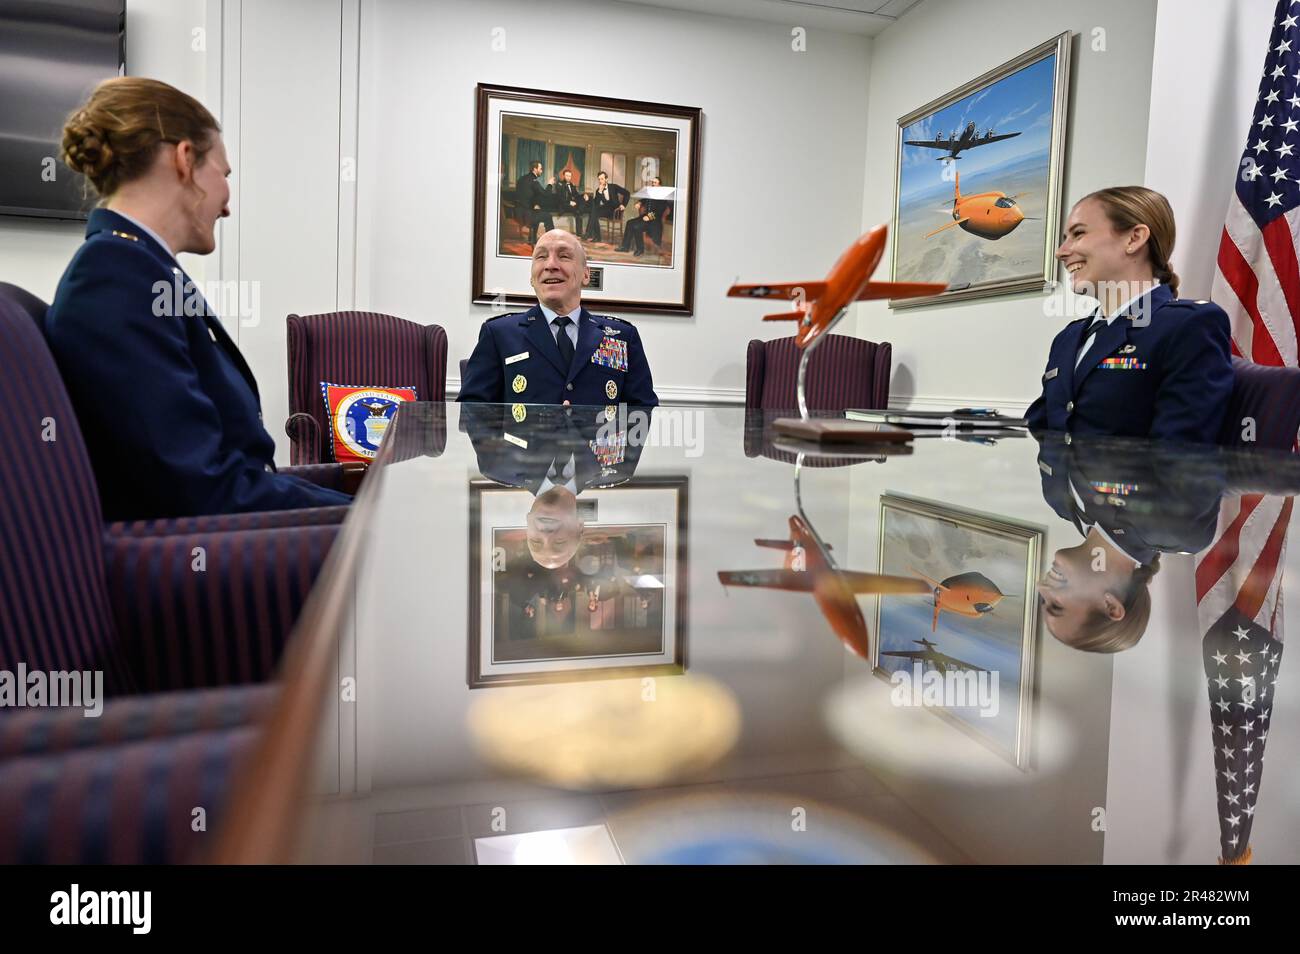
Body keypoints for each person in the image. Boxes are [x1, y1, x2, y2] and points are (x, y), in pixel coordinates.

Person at [44, 77, 351, 520]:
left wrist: (363, 500)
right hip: (201, 565)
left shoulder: (138, 265)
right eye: (224, 175)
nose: (227, 204)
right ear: (186, 159)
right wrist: (368, 518)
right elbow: (203, 491)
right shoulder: (115, 276)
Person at [1025, 186, 1234, 444]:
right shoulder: (1067, 338)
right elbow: (1043, 430)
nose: (1061, 252)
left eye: (1078, 234)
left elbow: (1180, 456)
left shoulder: (1188, 325)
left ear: (1134, 239)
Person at [458, 228, 658, 405]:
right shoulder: (499, 335)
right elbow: (472, 412)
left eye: (564, 256)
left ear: (586, 275)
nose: (550, 265)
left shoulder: (620, 337)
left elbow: (643, 413)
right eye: (541, 257)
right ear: (532, 277)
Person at [581, 171, 629, 242]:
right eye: (599, 179)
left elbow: (627, 193)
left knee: (593, 213)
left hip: (615, 211)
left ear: (606, 179)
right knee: (594, 211)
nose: (600, 181)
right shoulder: (598, 190)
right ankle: (594, 236)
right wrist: (600, 192)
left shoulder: (614, 187)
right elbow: (596, 204)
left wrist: (623, 205)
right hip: (606, 210)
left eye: (602, 179)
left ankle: (592, 235)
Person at [514, 160, 554, 243]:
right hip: (527, 216)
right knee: (548, 216)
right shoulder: (534, 181)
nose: (542, 171)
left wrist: (534, 204)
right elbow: (546, 194)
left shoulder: (521, 179)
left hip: (517, 213)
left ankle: (532, 239)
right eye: (541, 169)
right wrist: (550, 184)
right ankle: (551, 240)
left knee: (537, 211)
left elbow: (526, 195)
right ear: (535, 169)